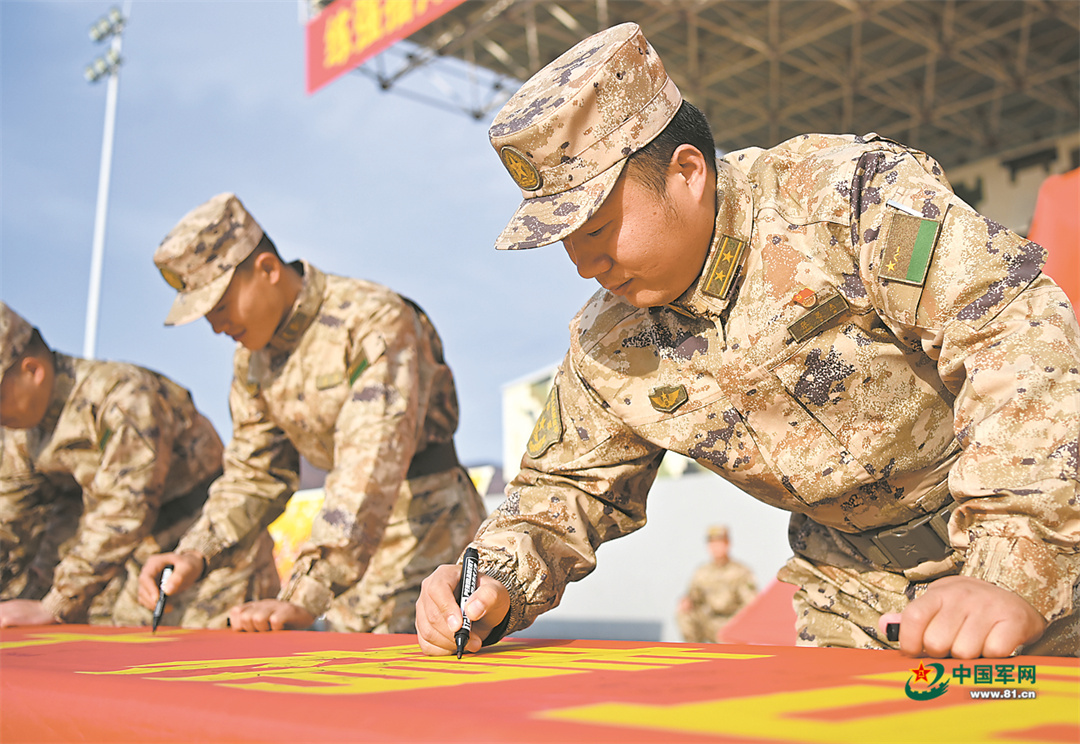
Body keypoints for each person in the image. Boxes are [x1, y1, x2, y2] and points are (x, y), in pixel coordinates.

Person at [416, 23, 1080, 659]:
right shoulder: (610, 342)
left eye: (597, 228)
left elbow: (1014, 342)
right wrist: (491, 584)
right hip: (858, 597)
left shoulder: (846, 201)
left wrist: (1014, 562)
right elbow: (560, 495)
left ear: (686, 171)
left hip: (1041, 545)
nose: (585, 264)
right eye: (565, 243)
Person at [138, 193, 486, 633]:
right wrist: (195, 552)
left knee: (423, 690)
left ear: (266, 268)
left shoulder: (372, 320)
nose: (216, 326)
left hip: (430, 540)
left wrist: (306, 593)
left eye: (220, 305)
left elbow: (370, 465)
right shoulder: (253, 362)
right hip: (344, 547)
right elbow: (254, 475)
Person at [0, 302, 272, 628]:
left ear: (32, 370)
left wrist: (56, 603)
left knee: (211, 669)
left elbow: (126, 510)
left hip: (212, 559)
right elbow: (9, 521)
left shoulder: (121, 396)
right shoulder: (21, 434)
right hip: (136, 565)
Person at [676, 525, 756, 643]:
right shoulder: (701, 572)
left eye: (719, 543)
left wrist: (737, 622)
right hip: (710, 622)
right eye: (712, 543)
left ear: (727, 544)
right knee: (684, 612)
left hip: (732, 622)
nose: (716, 547)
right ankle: (694, 649)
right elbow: (693, 597)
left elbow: (751, 603)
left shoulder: (741, 572)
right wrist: (686, 603)